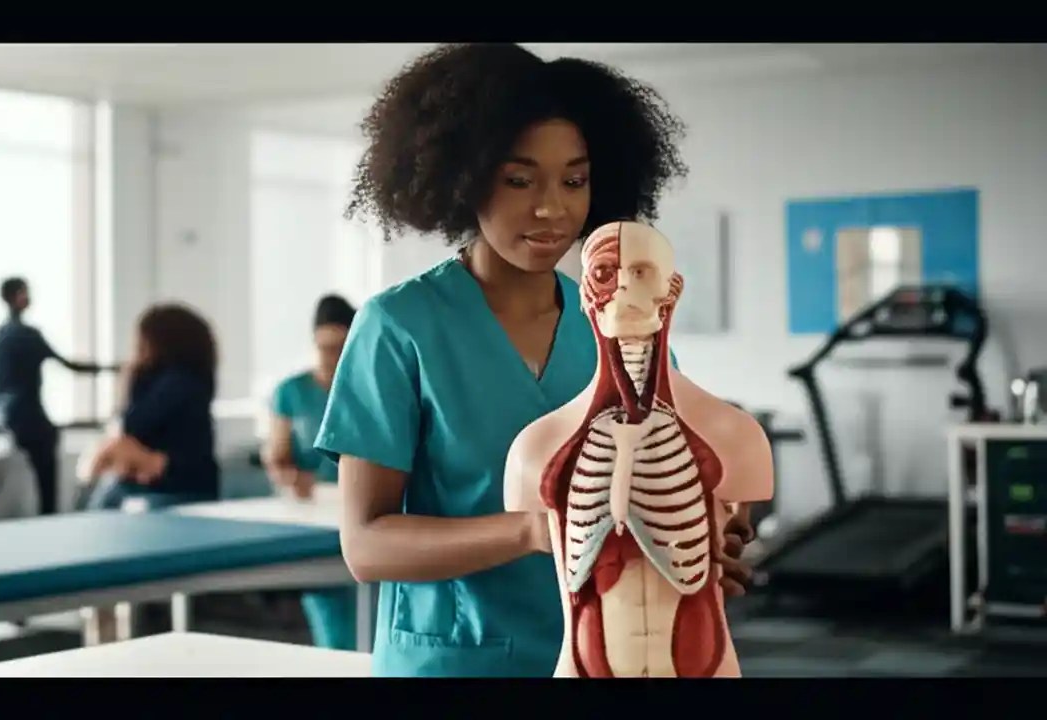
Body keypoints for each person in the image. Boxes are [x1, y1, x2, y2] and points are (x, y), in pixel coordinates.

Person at [313, 43, 757, 678]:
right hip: (455, 660)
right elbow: (365, 545)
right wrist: (529, 532)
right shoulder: (399, 328)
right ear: (464, 180)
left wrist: (711, 540)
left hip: (608, 656)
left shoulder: (627, 325)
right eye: (519, 180)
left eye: (574, 180)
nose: (552, 208)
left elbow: (669, 473)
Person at [263, 294, 358, 650]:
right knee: (335, 626)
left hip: (354, 504)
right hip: (312, 510)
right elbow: (278, 456)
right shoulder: (290, 392)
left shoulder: (364, 389)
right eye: (324, 346)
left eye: (340, 347)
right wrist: (288, 474)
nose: (331, 357)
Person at [79, 302, 220, 510]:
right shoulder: (192, 380)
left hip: (176, 486)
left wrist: (131, 379)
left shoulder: (177, 383)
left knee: (101, 499)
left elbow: (132, 425)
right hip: (183, 482)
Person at [0, 277, 109, 516]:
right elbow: (69, 365)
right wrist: (111, 369)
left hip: (4, 412)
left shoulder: (0, 335)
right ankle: (49, 517)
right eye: (25, 293)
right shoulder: (27, 335)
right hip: (27, 412)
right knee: (47, 473)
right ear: (16, 297)